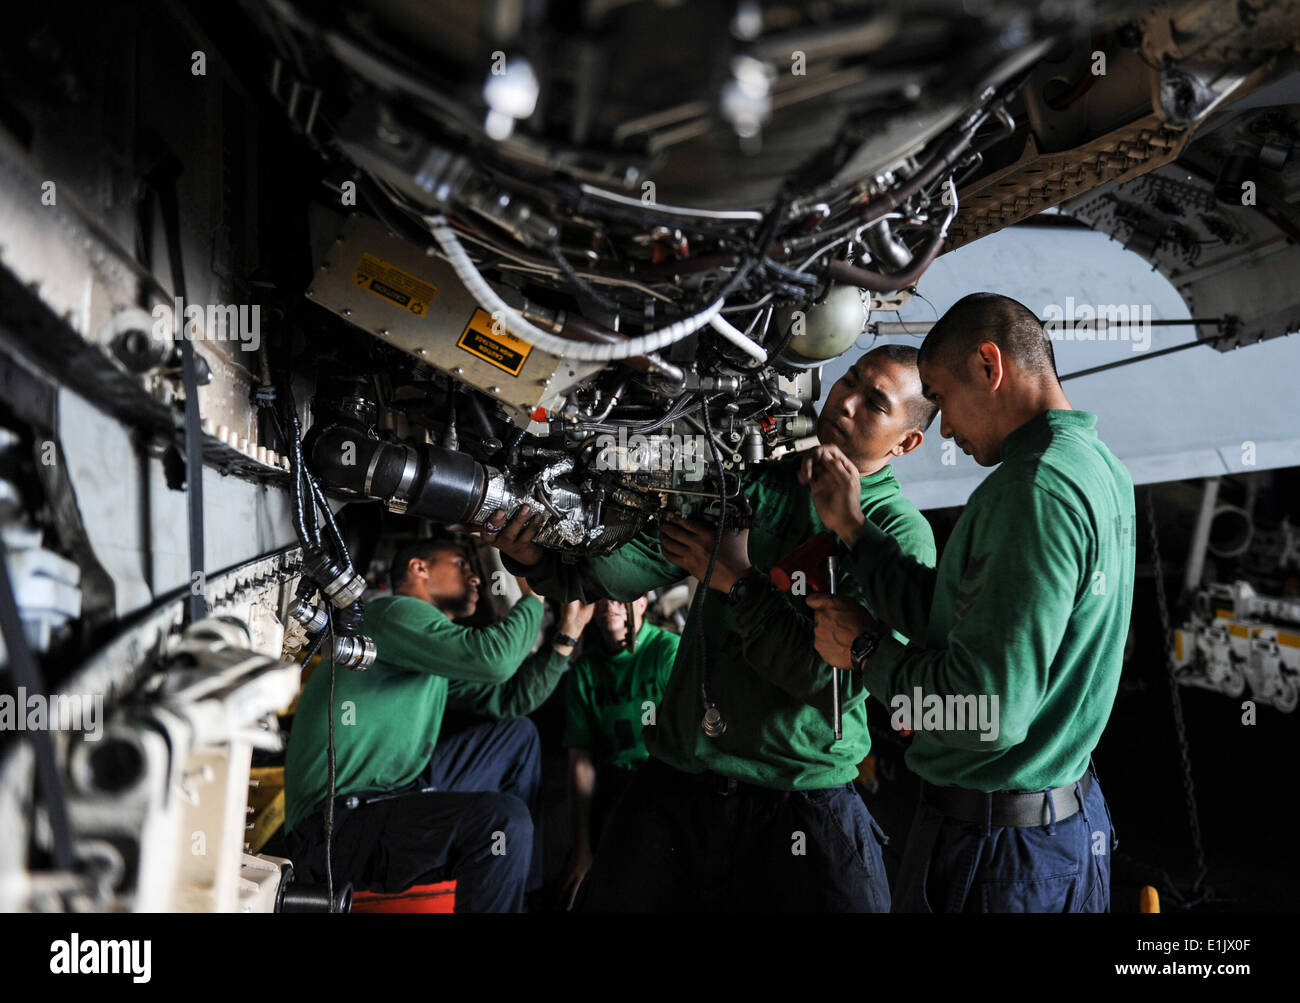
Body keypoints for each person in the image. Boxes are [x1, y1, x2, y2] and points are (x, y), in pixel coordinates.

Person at [484, 344, 939, 912]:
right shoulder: (753, 484)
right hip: (678, 778)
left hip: (798, 796)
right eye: (849, 379)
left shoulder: (895, 538)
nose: (844, 402)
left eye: (874, 403)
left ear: (906, 442)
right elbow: (618, 571)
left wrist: (739, 582)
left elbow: (831, 684)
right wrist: (534, 558)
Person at [804, 292, 1135, 912]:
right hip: (1056, 830)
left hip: (1000, 855)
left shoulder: (1031, 491)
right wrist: (855, 532)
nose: (946, 428)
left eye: (943, 398)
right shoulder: (1095, 466)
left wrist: (866, 652)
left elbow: (986, 715)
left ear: (990, 365)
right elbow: (966, 614)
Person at [283, 531, 593, 912]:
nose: (476, 577)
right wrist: (533, 594)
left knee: (517, 736)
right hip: (336, 830)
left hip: (389, 797)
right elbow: (493, 661)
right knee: (502, 821)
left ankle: (519, 894)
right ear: (419, 569)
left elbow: (513, 699)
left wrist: (567, 636)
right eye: (462, 564)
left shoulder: (424, 651)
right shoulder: (393, 612)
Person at [559, 595, 679, 909]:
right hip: (614, 786)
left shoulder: (666, 651)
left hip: (664, 780)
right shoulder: (586, 670)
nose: (611, 603)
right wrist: (581, 849)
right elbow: (580, 761)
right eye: (601, 596)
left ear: (642, 604)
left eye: (624, 595)